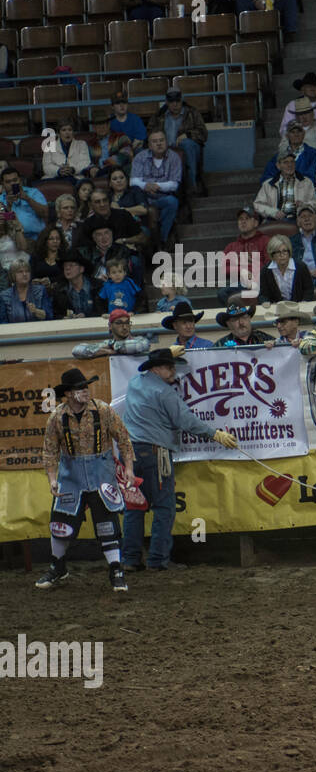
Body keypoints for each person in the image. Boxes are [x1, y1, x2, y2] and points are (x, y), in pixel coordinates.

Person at [120, 347, 240, 571]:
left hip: (129, 452)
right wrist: (215, 434)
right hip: (156, 452)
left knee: (134, 507)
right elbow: (185, 420)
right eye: (168, 366)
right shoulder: (165, 393)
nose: (173, 370)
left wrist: (166, 354)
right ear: (156, 368)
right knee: (164, 507)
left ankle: (130, 560)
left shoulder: (135, 382)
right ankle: (157, 560)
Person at [35, 368, 135, 592]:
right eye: (80, 388)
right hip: (71, 475)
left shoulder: (103, 410)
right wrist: (52, 479)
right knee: (61, 523)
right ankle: (57, 566)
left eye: (86, 387)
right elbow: (50, 452)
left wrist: (128, 468)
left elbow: (124, 439)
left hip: (101, 473)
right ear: (68, 394)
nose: (85, 391)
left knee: (107, 523)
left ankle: (116, 569)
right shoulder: (57, 417)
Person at [148, 88, 207, 193]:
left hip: (186, 149)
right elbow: (150, 133)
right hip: (166, 150)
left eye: (177, 101)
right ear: (166, 102)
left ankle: (191, 186)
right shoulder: (158, 116)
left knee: (187, 144)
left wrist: (188, 135)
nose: (175, 104)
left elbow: (203, 133)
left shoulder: (192, 113)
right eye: (171, 101)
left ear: (182, 100)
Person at [130, 131, 181, 243]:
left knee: (172, 202)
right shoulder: (140, 157)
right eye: (155, 141)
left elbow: (174, 185)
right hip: (143, 198)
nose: (159, 144)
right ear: (149, 145)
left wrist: (155, 186)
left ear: (166, 142)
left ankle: (161, 240)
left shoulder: (174, 157)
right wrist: (145, 186)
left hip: (164, 197)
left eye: (161, 140)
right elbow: (133, 182)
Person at [254, 153, 316, 221]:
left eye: (292, 162)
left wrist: (304, 205)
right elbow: (258, 205)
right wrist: (273, 212)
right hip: (275, 219)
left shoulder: (306, 182)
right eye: (285, 162)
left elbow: (315, 204)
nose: (290, 165)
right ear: (278, 166)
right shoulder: (268, 184)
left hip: (299, 219)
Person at [261, 235, 314, 303]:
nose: (282, 255)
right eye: (278, 252)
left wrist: (305, 301)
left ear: (289, 252)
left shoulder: (301, 267)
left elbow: (309, 290)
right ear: (272, 255)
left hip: (299, 307)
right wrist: (266, 303)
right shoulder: (266, 270)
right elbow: (263, 295)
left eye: (284, 251)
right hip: (276, 309)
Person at [1, 166, 49, 240]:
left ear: (20, 180)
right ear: (3, 184)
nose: (12, 184)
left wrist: (28, 199)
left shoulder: (34, 193)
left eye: (15, 180)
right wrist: (8, 207)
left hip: (36, 238)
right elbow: (2, 225)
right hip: (12, 241)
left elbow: (45, 214)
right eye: (8, 182)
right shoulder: (1, 199)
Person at [0, 259, 52, 323]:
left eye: (27, 271)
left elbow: (49, 316)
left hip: (38, 331)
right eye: (20, 272)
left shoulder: (40, 290)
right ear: (13, 275)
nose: (24, 274)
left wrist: (36, 311)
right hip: (14, 332)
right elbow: (3, 323)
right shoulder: (4, 296)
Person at [53, 254, 102, 320]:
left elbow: (104, 311)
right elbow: (55, 314)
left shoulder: (97, 286)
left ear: (81, 269)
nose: (67, 268)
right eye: (65, 266)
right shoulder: (59, 290)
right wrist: (63, 318)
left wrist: (87, 316)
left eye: (71, 265)